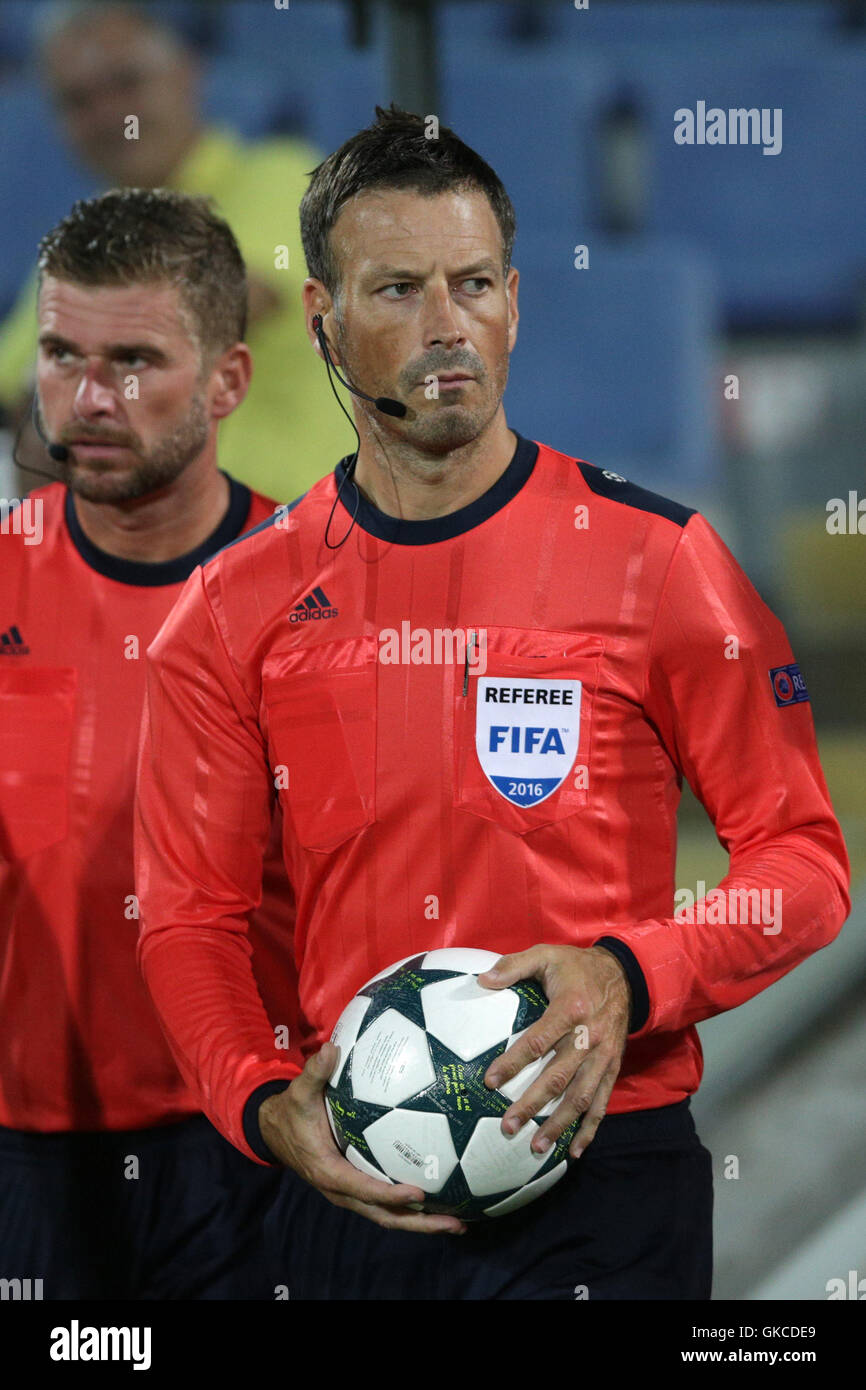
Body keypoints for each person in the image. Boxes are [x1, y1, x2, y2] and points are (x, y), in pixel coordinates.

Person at [133, 106, 851, 1301]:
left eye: (473, 283)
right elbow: (188, 920)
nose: (445, 325)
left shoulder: (659, 561)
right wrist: (258, 1102)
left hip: (605, 1174)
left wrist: (629, 973)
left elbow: (805, 864)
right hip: (355, 1177)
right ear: (321, 319)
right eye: (399, 289)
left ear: (515, 299)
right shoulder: (227, 608)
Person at [0, 187, 300, 1299]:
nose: (87, 397)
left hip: (254, 1149)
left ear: (227, 378)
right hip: (24, 1157)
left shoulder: (322, 605)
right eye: (61, 354)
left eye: (132, 361)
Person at [0, 0, 352, 500]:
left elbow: (225, 304)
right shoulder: (79, 238)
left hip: (291, 528)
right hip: (146, 543)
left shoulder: (279, 176)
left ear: (187, 73)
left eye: (126, 83)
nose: (108, 115)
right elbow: (18, 383)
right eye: (78, 101)